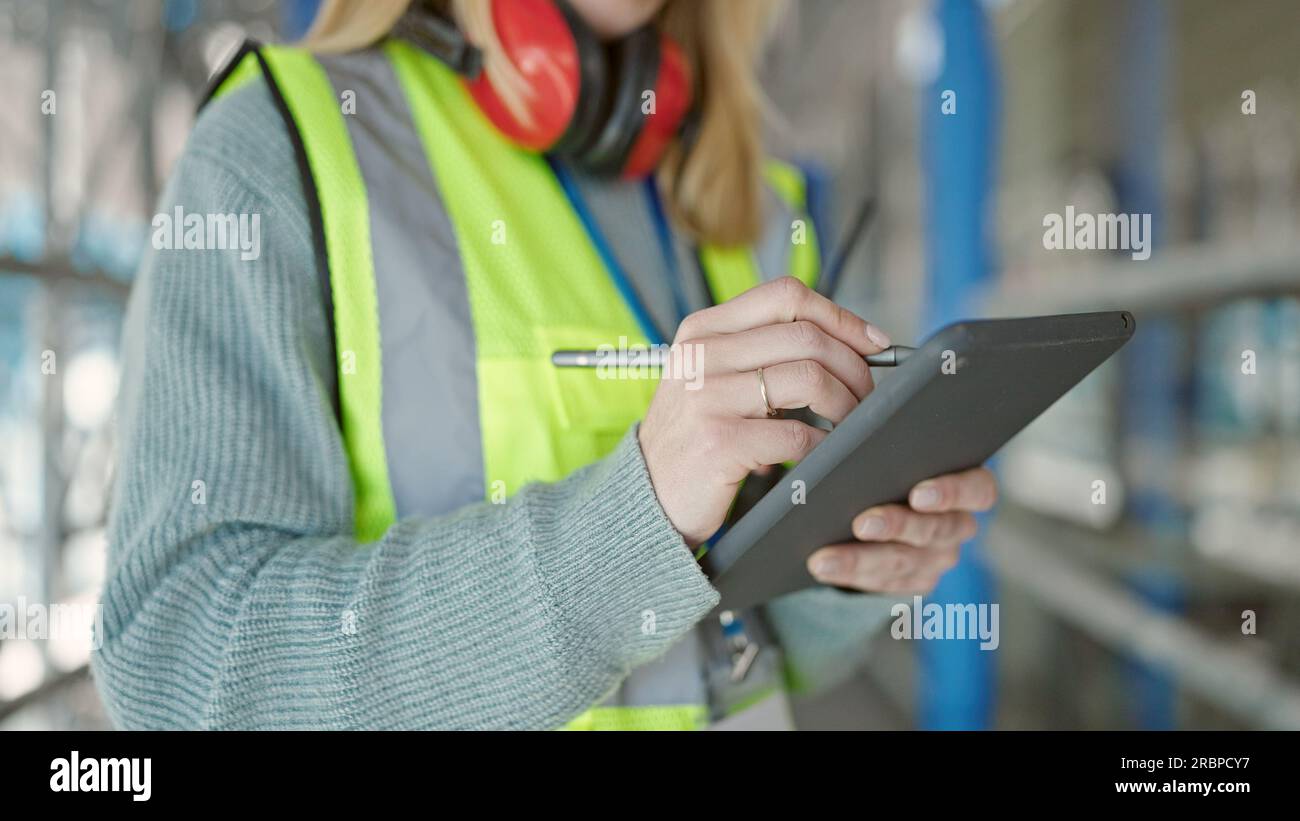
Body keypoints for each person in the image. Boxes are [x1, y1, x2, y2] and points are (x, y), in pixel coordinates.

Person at [93, 0, 997, 729]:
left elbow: (761, 653)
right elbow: (175, 672)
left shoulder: (755, 205)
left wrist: (843, 569)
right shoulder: (282, 146)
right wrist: (631, 523)